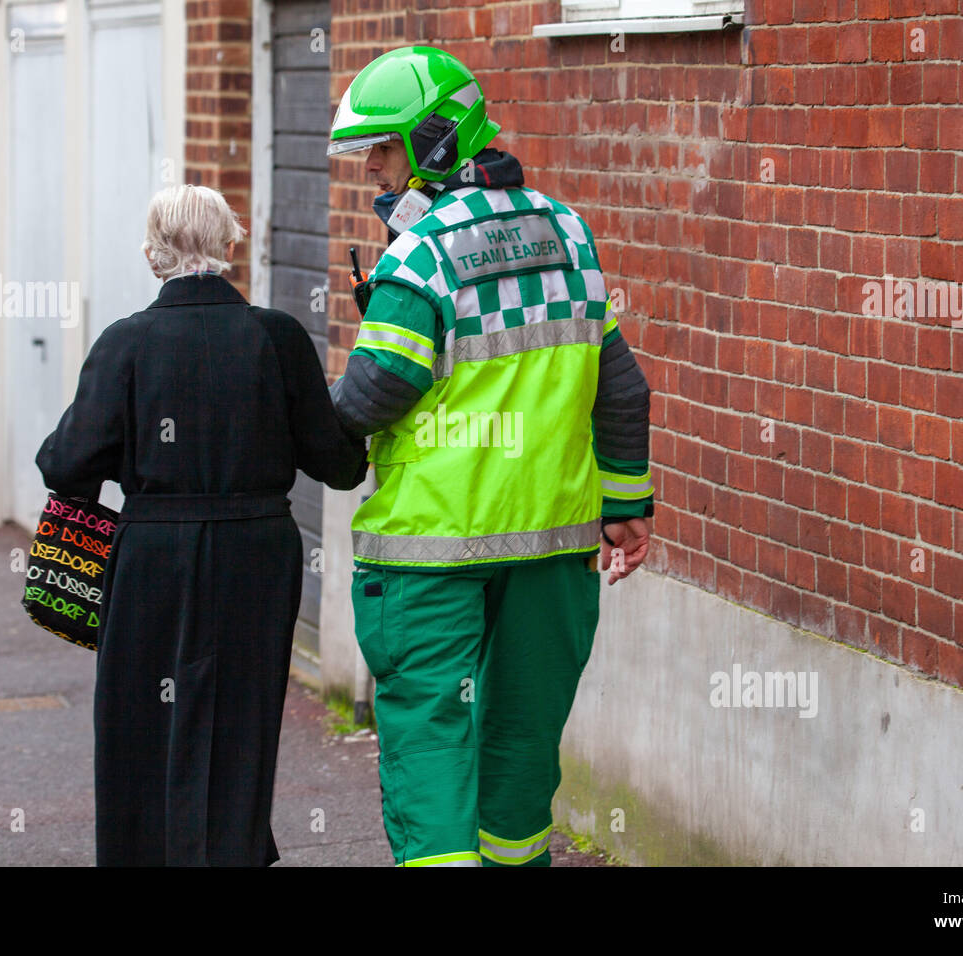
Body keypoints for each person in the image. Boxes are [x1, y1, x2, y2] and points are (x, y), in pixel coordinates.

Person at [328, 46, 654, 867]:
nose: (371, 167)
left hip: (432, 549)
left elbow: (375, 392)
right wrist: (626, 508)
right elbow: (621, 388)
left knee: (431, 742)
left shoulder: (421, 253)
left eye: (382, 148)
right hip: (552, 544)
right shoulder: (568, 232)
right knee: (520, 744)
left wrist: (297, 425)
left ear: (433, 141)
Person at [35, 184, 368, 866]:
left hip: (153, 552)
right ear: (230, 246)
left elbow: (66, 465)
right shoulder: (278, 336)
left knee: (141, 717)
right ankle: (231, 848)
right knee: (242, 716)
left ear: (152, 255)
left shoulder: (125, 342)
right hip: (258, 549)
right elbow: (338, 464)